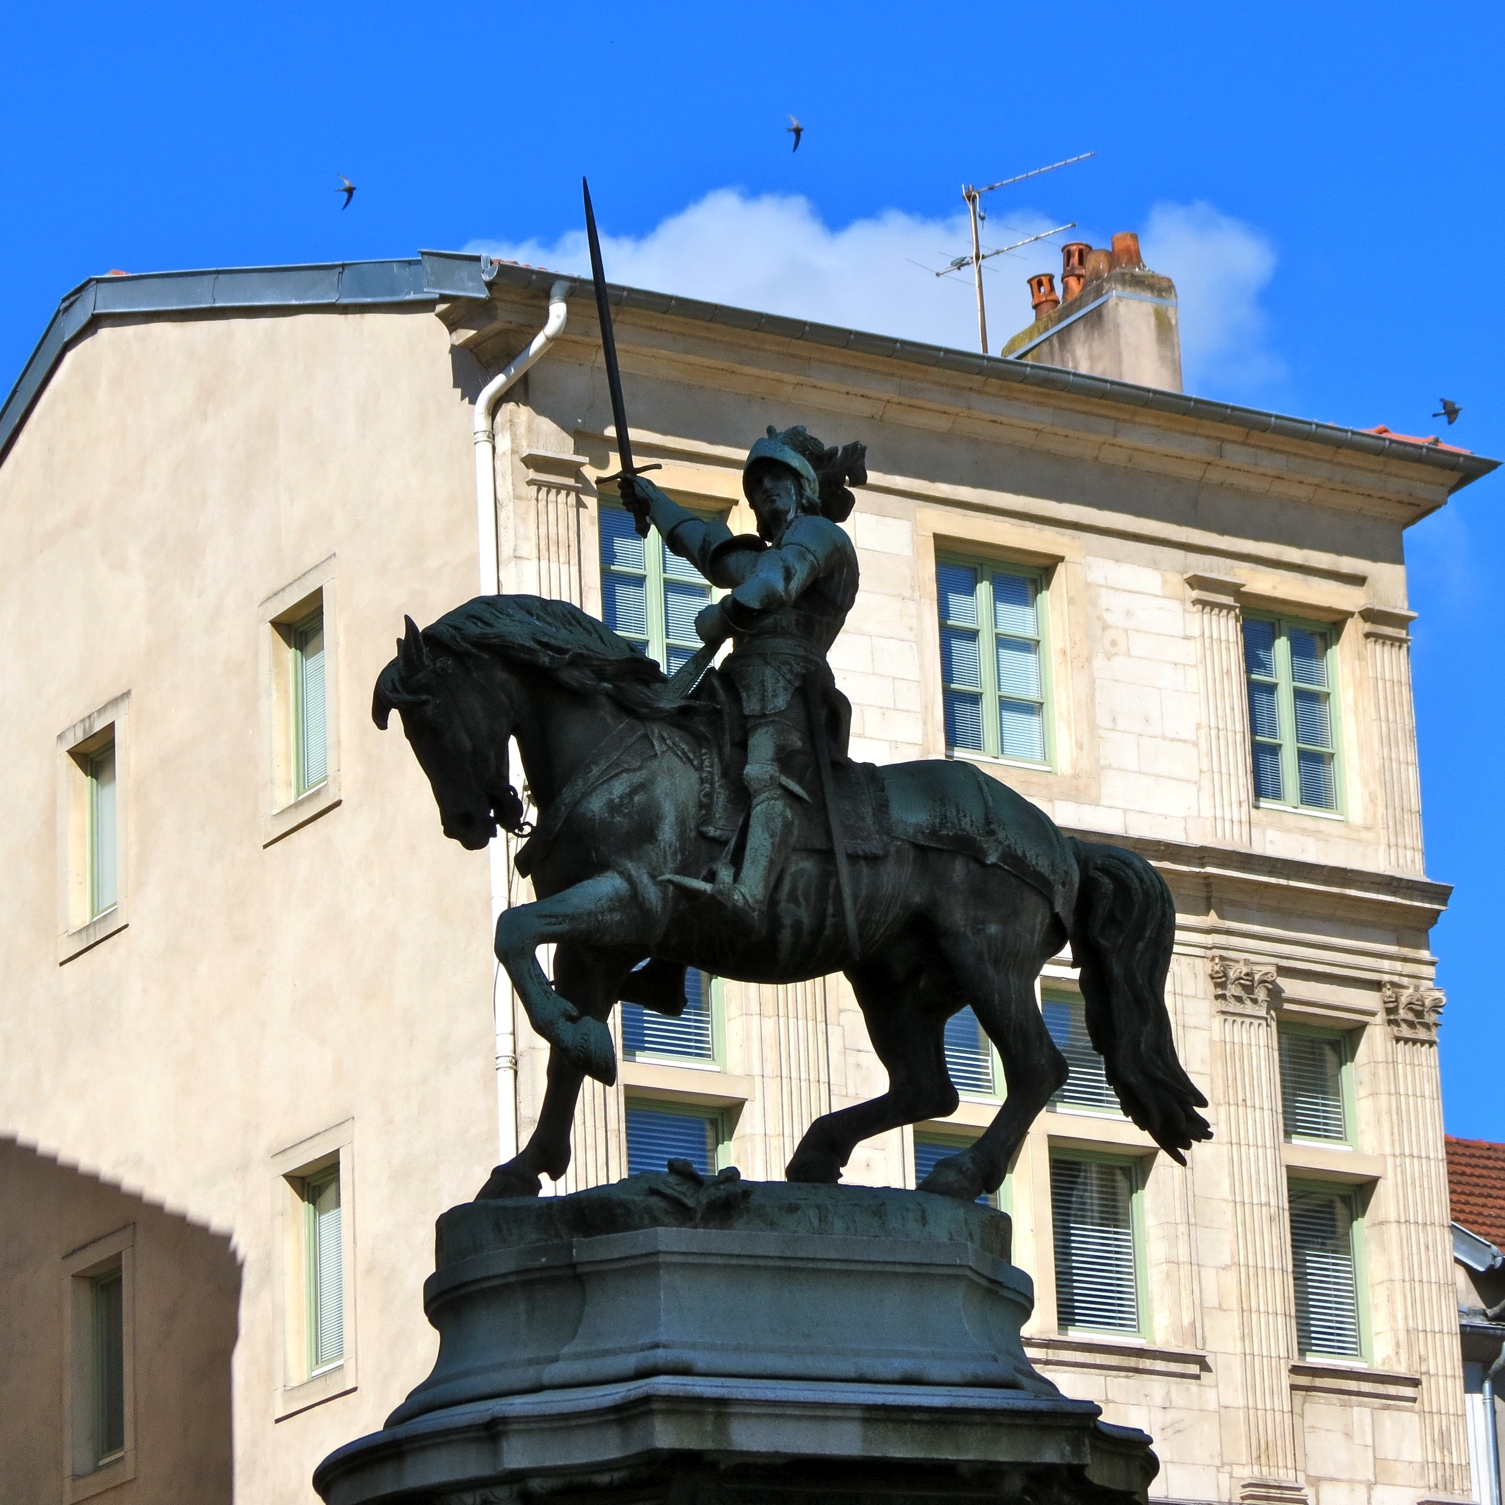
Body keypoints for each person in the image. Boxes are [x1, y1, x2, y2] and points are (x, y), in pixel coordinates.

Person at [619, 426, 866, 935]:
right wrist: (652, 499)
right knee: (681, 769)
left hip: (792, 681)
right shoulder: (764, 553)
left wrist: (723, 617)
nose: (766, 490)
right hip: (737, 682)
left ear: (803, 485)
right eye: (758, 484)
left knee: (765, 772)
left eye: (779, 477)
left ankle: (751, 895)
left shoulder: (821, 536)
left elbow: (778, 583)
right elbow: (710, 547)